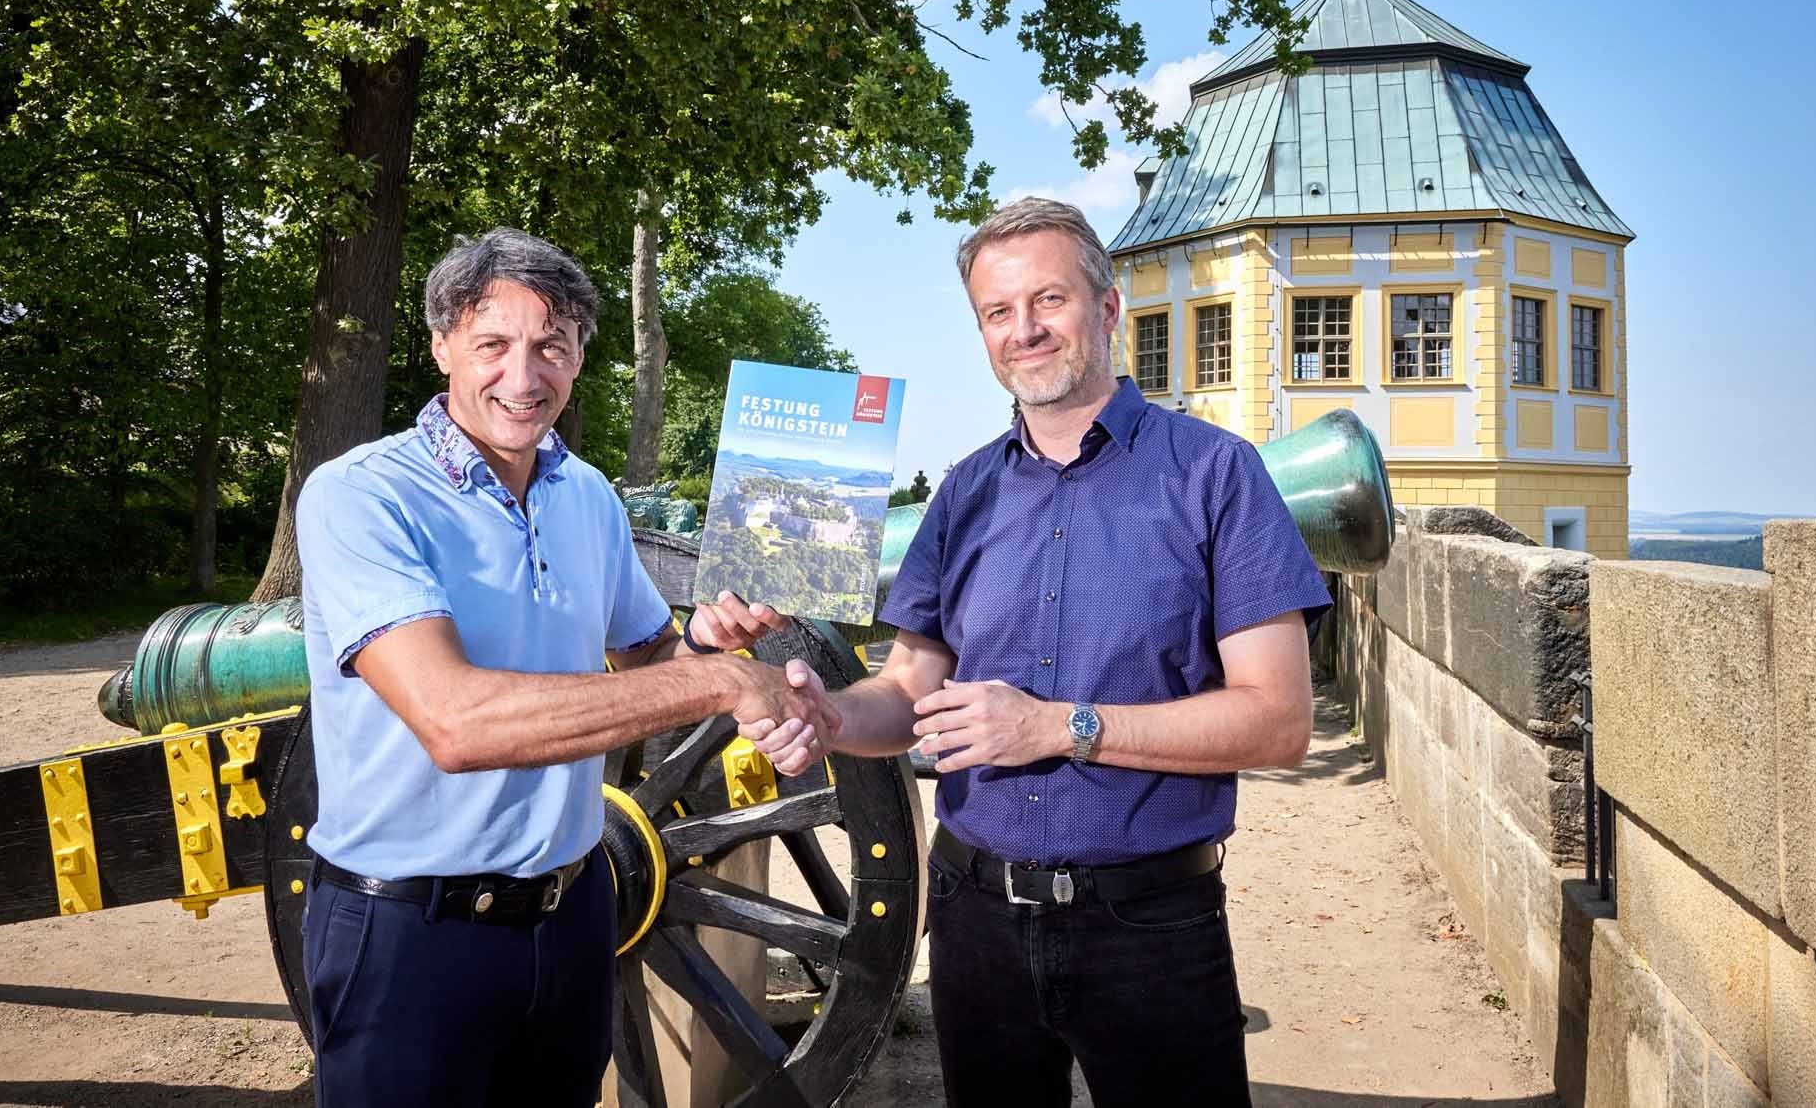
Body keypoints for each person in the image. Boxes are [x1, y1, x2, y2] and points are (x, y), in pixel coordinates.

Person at [757, 198, 1332, 1107]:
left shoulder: (1218, 473)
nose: (1023, 330)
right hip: (974, 919)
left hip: (1150, 926)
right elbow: (906, 689)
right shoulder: (963, 492)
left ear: (1107, 309)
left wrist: (1059, 727)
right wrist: (830, 717)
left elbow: (1279, 721)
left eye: (1048, 300)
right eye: (998, 311)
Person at [295, 227, 835, 1108]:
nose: (523, 375)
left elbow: (649, 653)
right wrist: (720, 683)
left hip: (575, 915)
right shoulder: (361, 495)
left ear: (581, 355)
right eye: (492, 345)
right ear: (441, 347)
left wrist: (714, 644)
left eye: (552, 345)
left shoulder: (585, 493)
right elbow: (456, 724)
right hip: (408, 932)